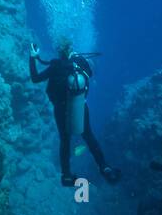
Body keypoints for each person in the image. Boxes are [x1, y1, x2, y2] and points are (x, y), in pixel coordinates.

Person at [29, 40, 121, 187]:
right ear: (71, 48)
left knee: (65, 140)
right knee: (88, 136)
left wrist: (33, 57)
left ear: (59, 51)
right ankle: (104, 167)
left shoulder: (55, 66)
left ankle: (66, 175)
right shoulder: (80, 63)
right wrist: (77, 58)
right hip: (79, 106)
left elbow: (35, 78)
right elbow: (91, 73)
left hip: (60, 108)